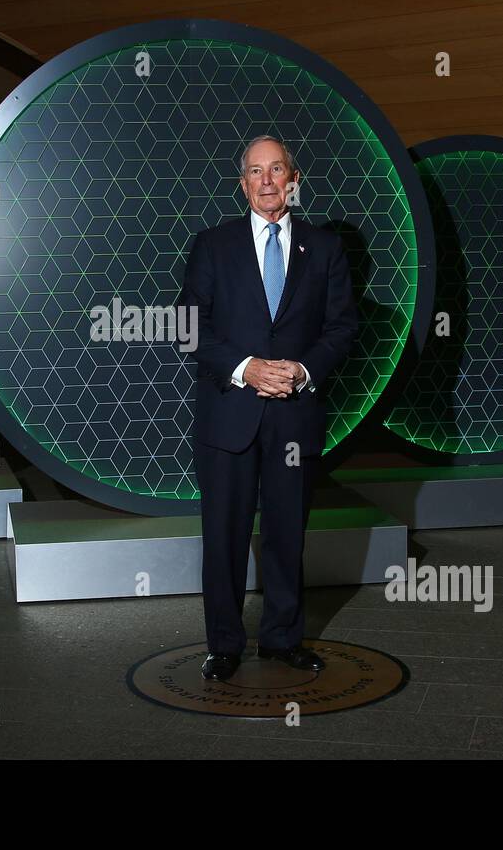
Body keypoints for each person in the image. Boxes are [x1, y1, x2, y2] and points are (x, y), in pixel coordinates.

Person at [179, 135, 360, 681]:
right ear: (243, 184)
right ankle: (225, 644)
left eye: (276, 170)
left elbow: (342, 328)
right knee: (225, 537)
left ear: (293, 179)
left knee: (286, 535)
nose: (266, 181)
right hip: (229, 414)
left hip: (293, 416)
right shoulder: (212, 245)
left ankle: (282, 639)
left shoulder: (324, 249)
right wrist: (247, 368)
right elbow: (190, 329)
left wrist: (301, 372)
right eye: (255, 172)